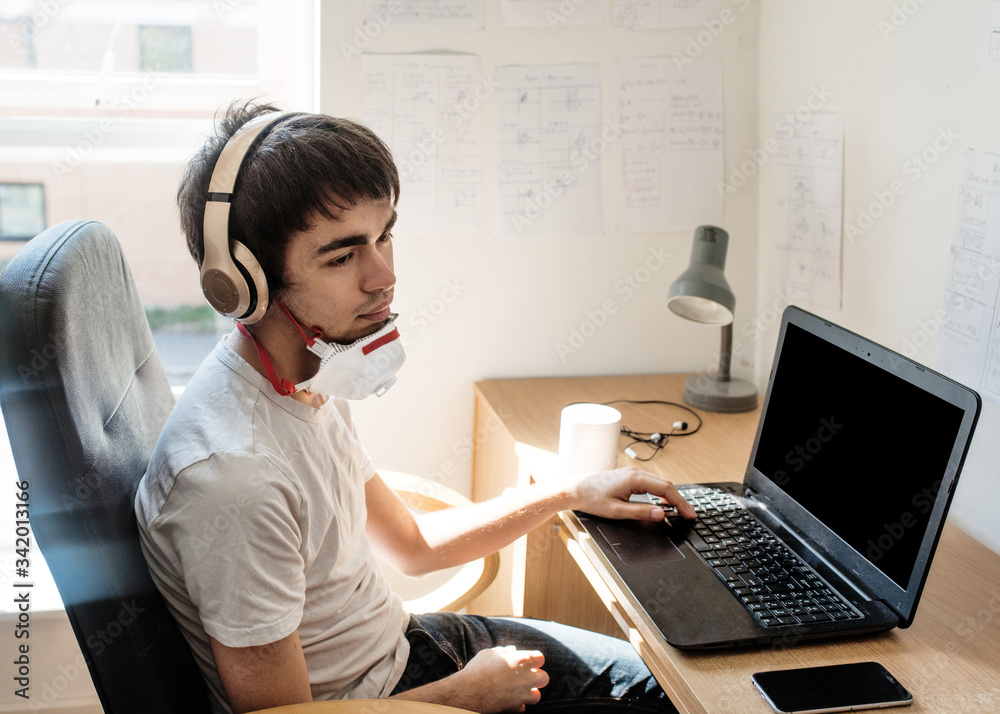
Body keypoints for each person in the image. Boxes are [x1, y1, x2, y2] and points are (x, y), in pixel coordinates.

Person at [134, 100, 695, 714]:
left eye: (384, 237)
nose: (383, 276)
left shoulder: (311, 378)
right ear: (244, 283)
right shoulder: (235, 480)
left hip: (409, 651)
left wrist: (571, 492)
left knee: (670, 687)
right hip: (401, 698)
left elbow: (414, 546)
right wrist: (470, 695)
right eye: (342, 256)